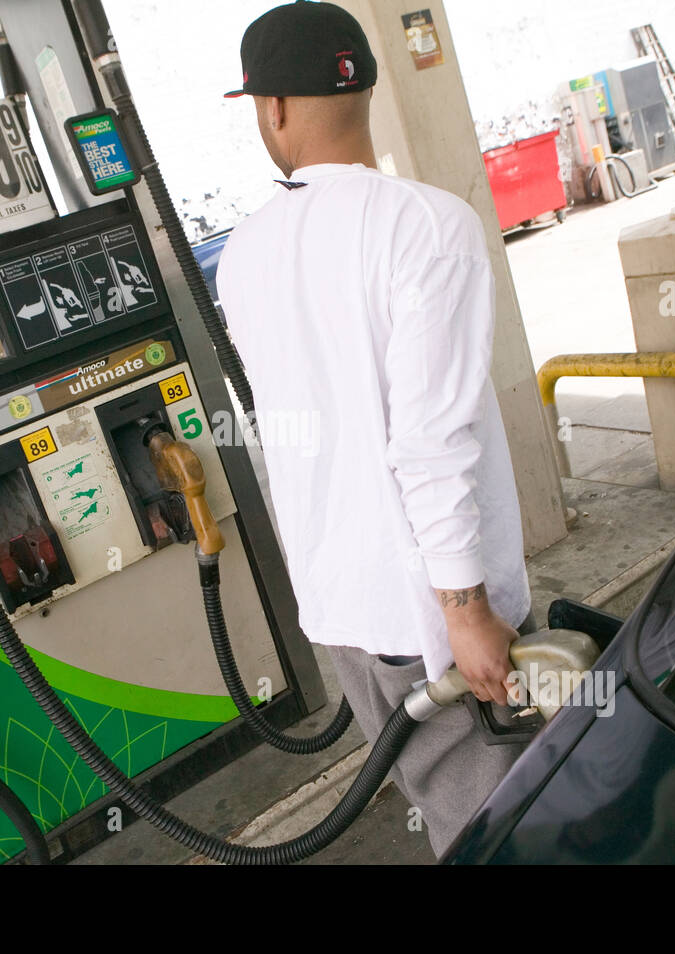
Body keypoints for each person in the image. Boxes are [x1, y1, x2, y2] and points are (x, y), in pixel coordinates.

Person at [216, 0, 536, 857]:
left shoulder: (244, 253)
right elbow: (430, 435)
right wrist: (466, 609)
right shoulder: (430, 224)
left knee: (453, 815)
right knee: (507, 823)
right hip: (430, 611)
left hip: (345, 609)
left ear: (273, 107)